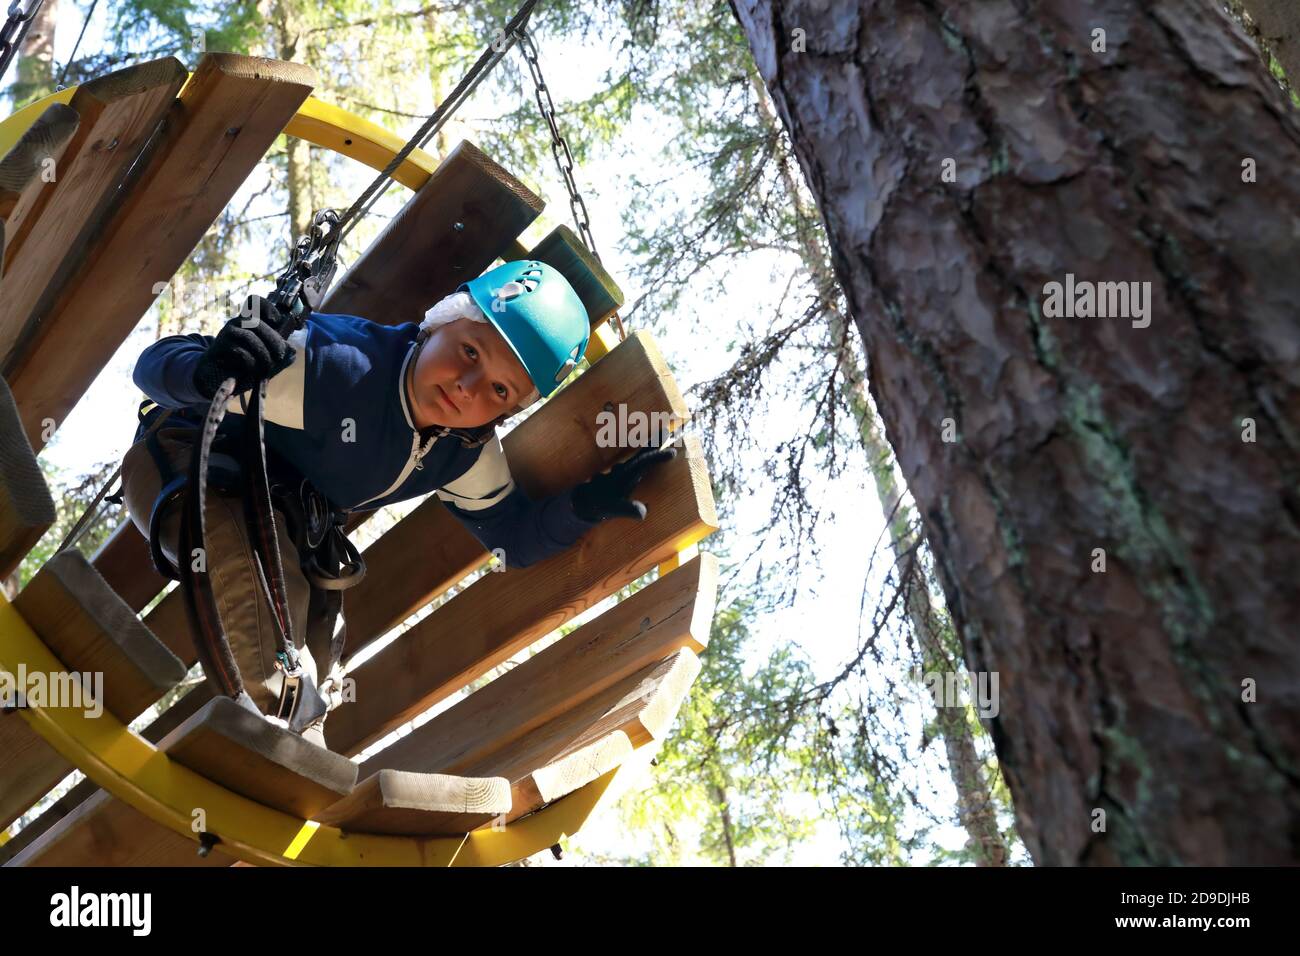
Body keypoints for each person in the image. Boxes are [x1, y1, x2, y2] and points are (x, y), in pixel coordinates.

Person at [119, 260, 675, 749]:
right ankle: (277, 743)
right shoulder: (334, 366)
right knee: (273, 618)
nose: (468, 386)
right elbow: (153, 364)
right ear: (438, 322)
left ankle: (298, 756)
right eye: (469, 351)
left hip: (281, 520)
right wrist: (206, 370)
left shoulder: (463, 453)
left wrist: (581, 507)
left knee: (321, 640)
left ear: (506, 411)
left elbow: (514, 536)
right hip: (187, 469)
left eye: (500, 391)